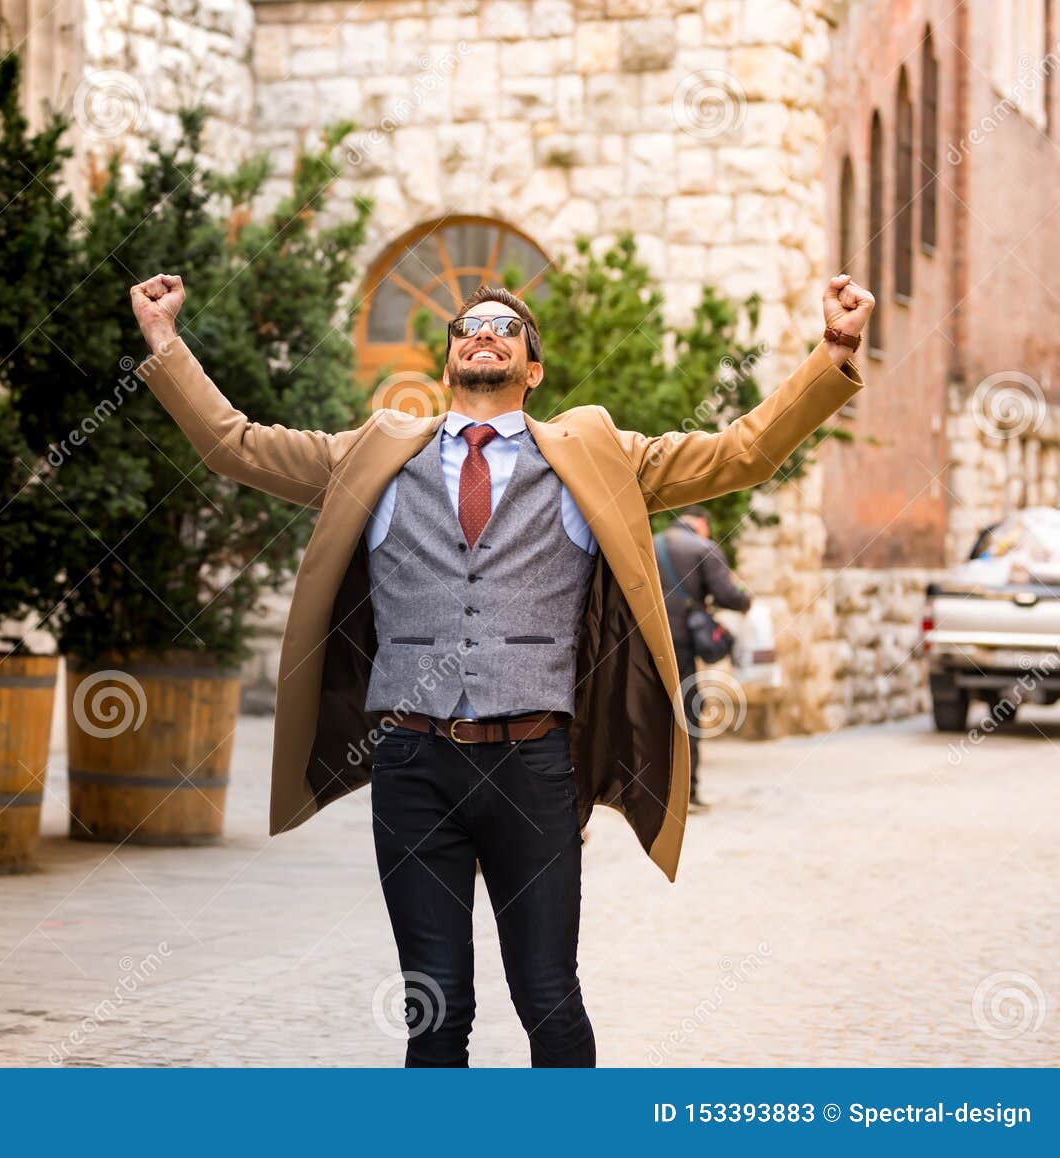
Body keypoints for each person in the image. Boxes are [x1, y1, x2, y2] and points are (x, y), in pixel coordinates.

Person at [128, 270, 873, 1068]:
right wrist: (165, 342)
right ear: (449, 361)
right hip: (412, 764)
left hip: (533, 765)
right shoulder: (372, 454)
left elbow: (742, 452)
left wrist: (832, 350)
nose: (484, 331)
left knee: (549, 998)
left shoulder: (596, 454)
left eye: (506, 326)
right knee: (435, 1007)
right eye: (467, 326)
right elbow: (233, 444)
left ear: (532, 368)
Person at [655, 506, 752, 812]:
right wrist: (745, 597)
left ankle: (650, 792)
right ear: (701, 524)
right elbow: (728, 595)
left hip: (645, 640)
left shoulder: (649, 543)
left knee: (653, 712)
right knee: (687, 714)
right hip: (682, 643)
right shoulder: (702, 547)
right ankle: (686, 792)